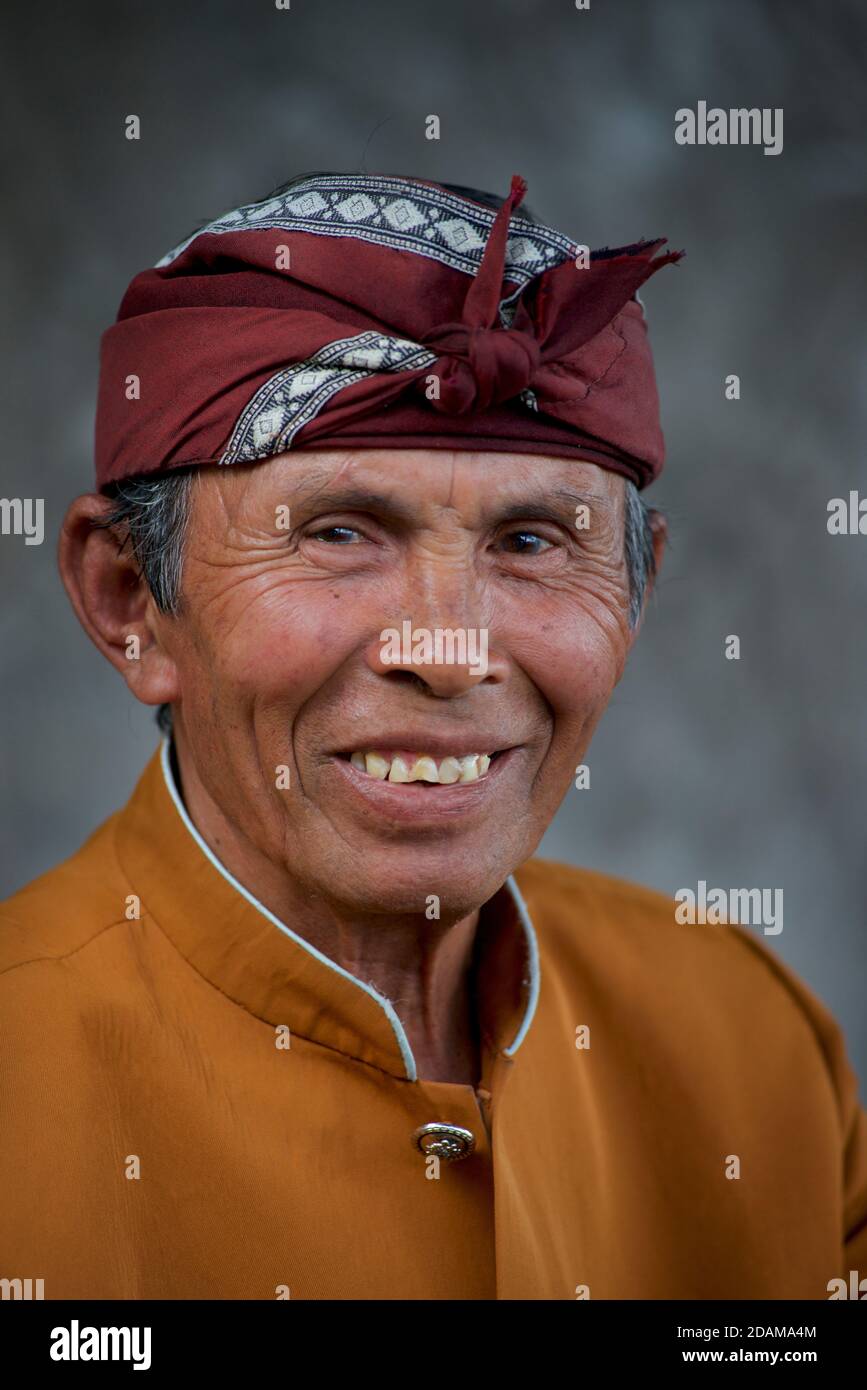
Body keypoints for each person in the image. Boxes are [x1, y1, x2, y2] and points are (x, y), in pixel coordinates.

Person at [1, 171, 864, 1300]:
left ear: (639, 591)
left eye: (534, 542)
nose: (449, 651)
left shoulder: (755, 1047)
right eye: (341, 531)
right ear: (130, 602)